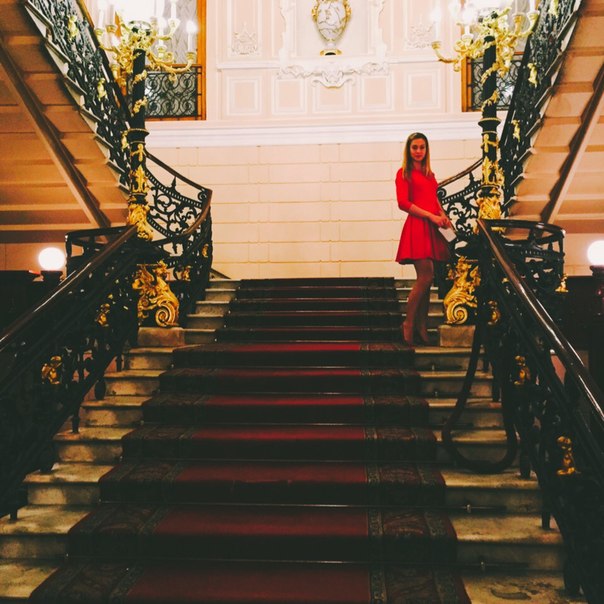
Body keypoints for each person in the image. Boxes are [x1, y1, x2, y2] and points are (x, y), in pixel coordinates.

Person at [395, 132, 452, 346]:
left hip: (433, 226)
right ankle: (408, 324)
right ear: (408, 150)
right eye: (415, 147)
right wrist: (430, 216)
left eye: (422, 147)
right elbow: (403, 203)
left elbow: (433, 198)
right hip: (418, 226)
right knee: (426, 276)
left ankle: (421, 326)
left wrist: (442, 215)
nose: (418, 151)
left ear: (426, 150)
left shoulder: (429, 174)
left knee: (428, 280)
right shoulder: (404, 173)